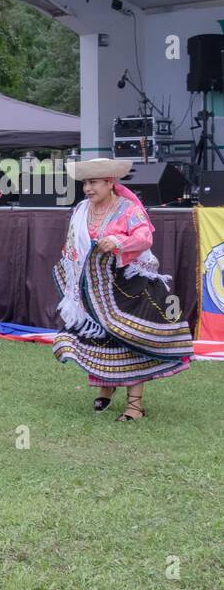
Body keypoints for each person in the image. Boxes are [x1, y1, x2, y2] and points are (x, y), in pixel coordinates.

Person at [52, 158, 193, 420]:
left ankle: (135, 406)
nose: (87, 189)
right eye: (85, 183)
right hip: (94, 285)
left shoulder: (128, 209)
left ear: (109, 182)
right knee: (100, 338)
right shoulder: (81, 210)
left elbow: (145, 238)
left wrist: (118, 241)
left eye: (93, 183)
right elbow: (72, 245)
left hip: (128, 284)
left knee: (130, 340)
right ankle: (106, 386)